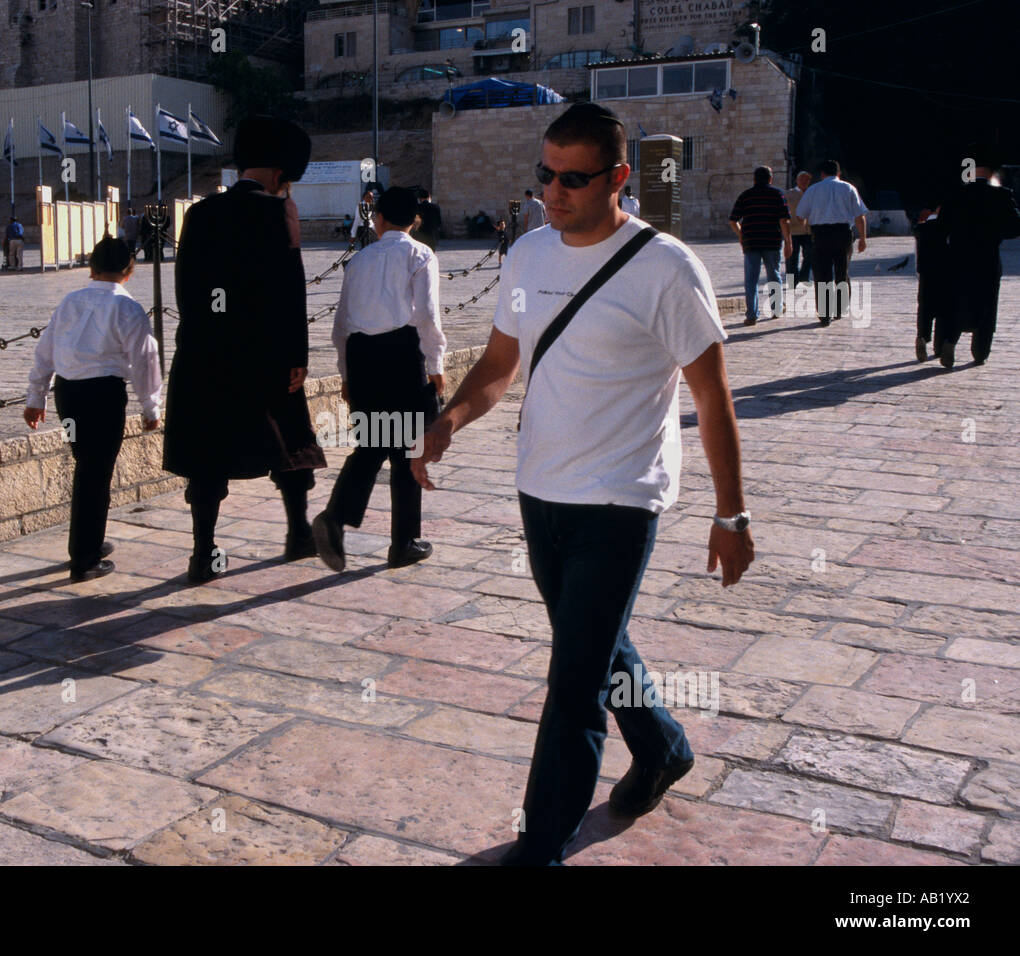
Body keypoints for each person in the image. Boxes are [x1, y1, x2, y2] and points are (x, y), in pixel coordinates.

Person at [411, 102, 752, 867]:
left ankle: (541, 842)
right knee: (590, 645)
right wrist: (447, 421)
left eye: (573, 178)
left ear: (619, 178)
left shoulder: (666, 268)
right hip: (541, 492)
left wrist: (733, 514)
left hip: (621, 498)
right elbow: (501, 365)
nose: (552, 193)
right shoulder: (529, 254)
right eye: (544, 174)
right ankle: (662, 746)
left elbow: (711, 396)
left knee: (573, 686)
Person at [161, 115, 327, 583]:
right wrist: (298, 357)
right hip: (266, 354)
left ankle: (203, 554)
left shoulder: (199, 214)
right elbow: (290, 290)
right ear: (280, 173)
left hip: (205, 355)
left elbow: (188, 291)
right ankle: (298, 534)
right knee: (290, 447)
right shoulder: (279, 212)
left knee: (208, 459)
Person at [314, 186, 446, 573]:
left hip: (363, 358)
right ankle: (403, 541)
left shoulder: (358, 261)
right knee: (408, 449)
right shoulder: (421, 255)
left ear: (379, 219)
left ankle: (336, 517)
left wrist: (346, 373)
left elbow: (341, 325)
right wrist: (435, 365)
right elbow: (427, 316)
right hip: (403, 356)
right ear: (414, 220)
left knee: (372, 444)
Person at [24, 236, 161, 582]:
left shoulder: (70, 302)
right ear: (129, 270)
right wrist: (151, 407)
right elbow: (145, 362)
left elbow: (46, 349)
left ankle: (89, 542)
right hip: (104, 396)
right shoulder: (128, 308)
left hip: (68, 395)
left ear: (92, 267)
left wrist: (36, 397)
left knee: (88, 468)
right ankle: (84, 557)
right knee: (95, 474)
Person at [935, 146, 1020, 367]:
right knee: (986, 302)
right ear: (992, 173)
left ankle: (949, 340)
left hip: (958, 256)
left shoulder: (955, 195)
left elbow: (941, 227)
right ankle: (980, 350)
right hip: (987, 256)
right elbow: (1014, 228)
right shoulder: (1001, 196)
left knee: (955, 299)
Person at [794, 159, 868, 326]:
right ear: (839, 173)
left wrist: (806, 225)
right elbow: (859, 215)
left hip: (820, 235)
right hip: (842, 234)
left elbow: (800, 215)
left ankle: (825, 314)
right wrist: (863, 238)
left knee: (822, 274)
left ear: (822, 174)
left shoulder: (812, 190)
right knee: (842, 271)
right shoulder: (848, 188)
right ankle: (840, 308)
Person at [728, 166, 792, 326]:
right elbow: (784, 220)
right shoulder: (777, 194)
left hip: (751, 242)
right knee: (774, 275)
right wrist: (788, 242)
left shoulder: (745, 196)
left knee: (751, 279)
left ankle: (751, 315)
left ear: (754, 179)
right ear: (771, 179)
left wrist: (741, 235)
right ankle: (776, 308)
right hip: (772, 241)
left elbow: (733, 220)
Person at [912, 206, 949, 363]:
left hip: (926, 273)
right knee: (943, 310)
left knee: (925, 308)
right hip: (945, 273)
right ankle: (939, 346)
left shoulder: (920, 229)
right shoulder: (948, 228)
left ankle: (922, 336)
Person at [784, 171, 812, 282]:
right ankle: (792, 281)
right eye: (802, 179)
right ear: (797, 180)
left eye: (807, 180)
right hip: (793, 231)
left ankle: (804, 278)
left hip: (809, 231)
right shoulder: (789, 194)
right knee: (791, 258)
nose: (805, 182)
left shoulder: (812, 193)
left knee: (809, 256)